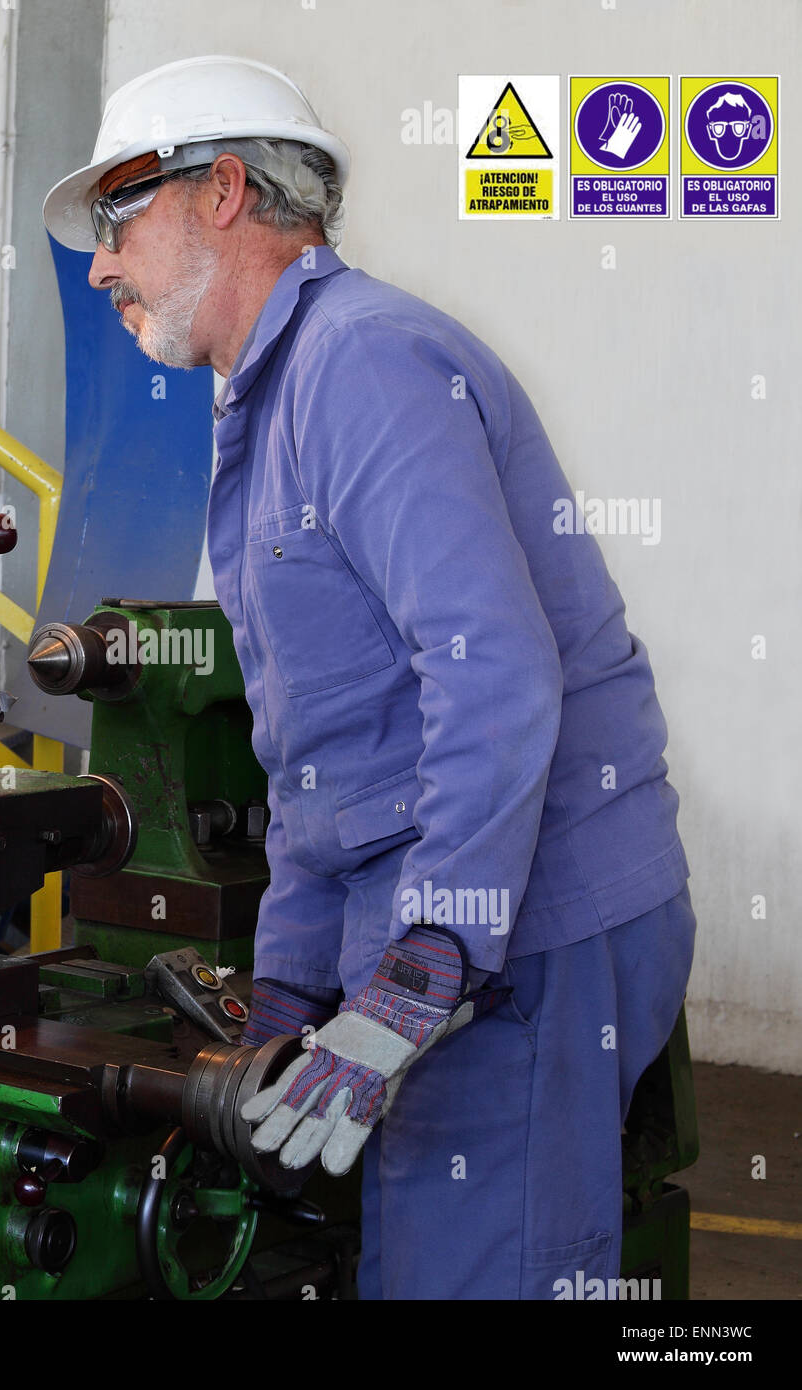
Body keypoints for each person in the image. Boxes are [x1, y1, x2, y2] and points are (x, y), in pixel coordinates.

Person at [43, 54, 696, 1300]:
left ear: (223, 189)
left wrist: (431, 953)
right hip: (450, 924)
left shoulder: (363, 364)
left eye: (117, 220)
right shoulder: (265, 405)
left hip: (535, 925)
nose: (100, 265)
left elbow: (497, 672)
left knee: (483, 1275)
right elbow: (314, 743)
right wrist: (288, 983)